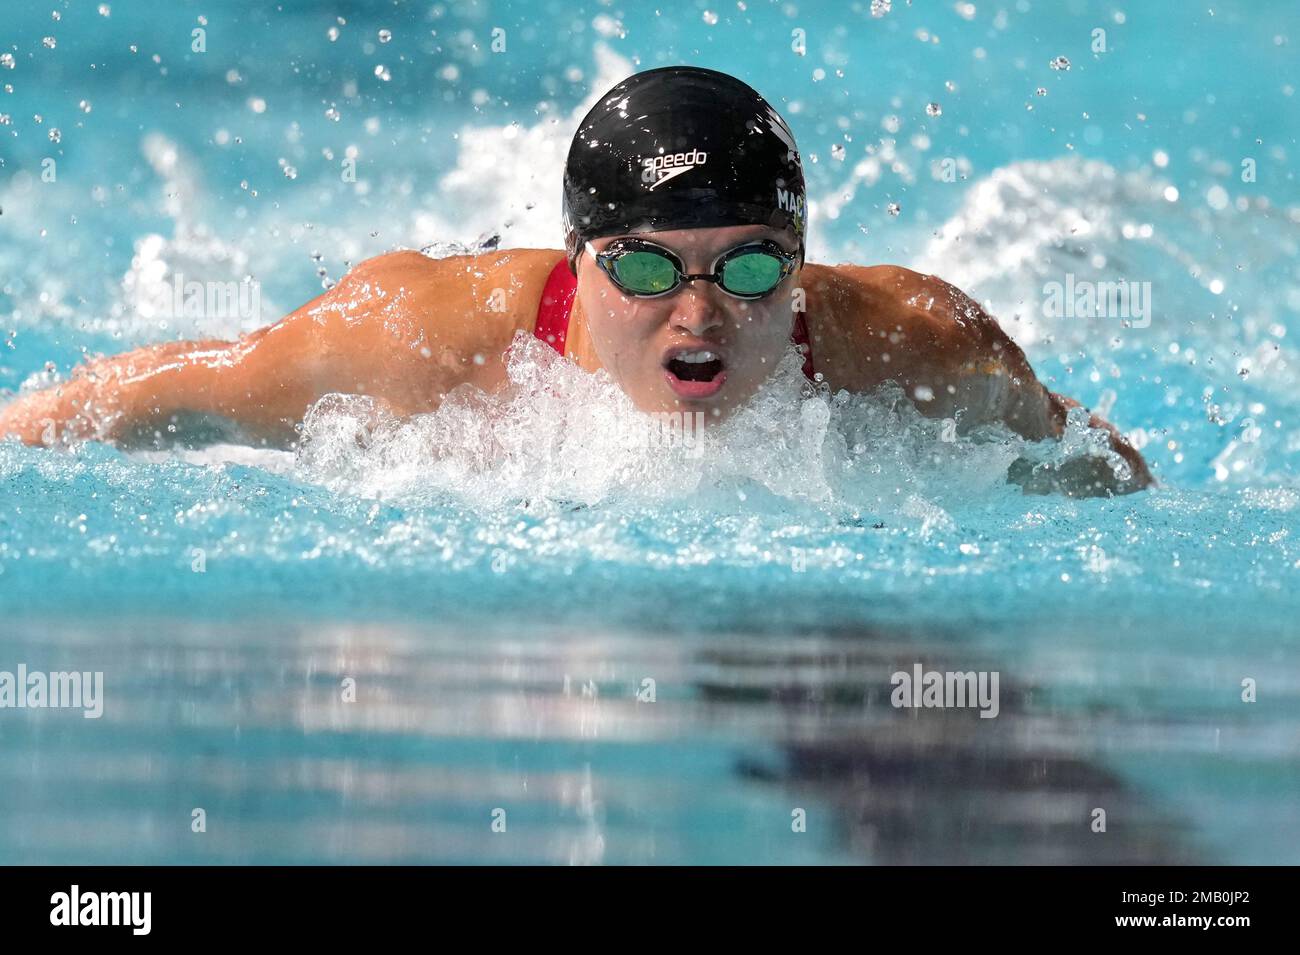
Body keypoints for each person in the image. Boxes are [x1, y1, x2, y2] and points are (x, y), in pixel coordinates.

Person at [0, 66, 1152, 495]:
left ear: (799, 273)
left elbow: (1094, 466)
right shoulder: (418, 342)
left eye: (747, 267)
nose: (698, 313)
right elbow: (168, 388)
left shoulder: (919, 345)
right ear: (579, 266)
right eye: (647, 267)